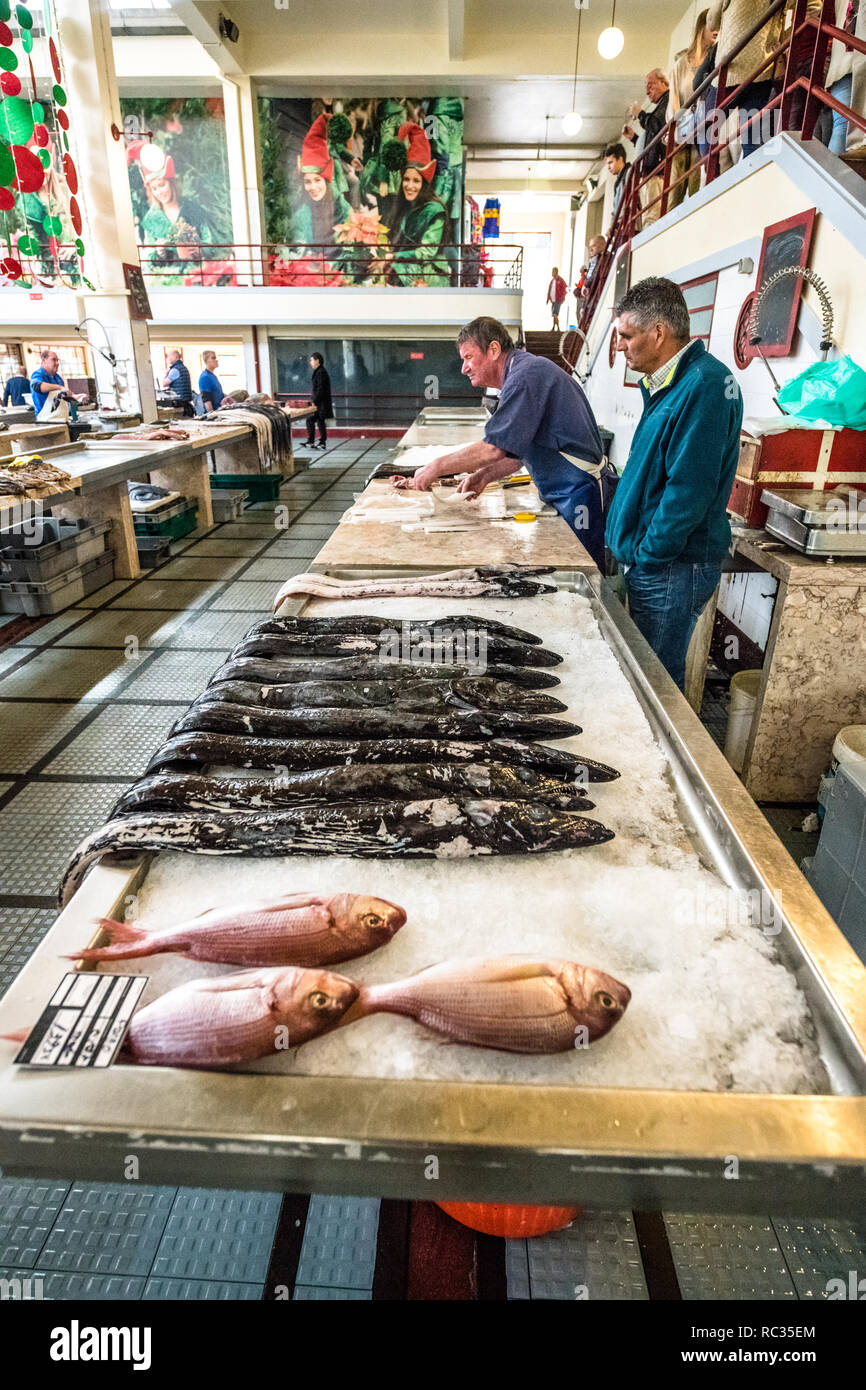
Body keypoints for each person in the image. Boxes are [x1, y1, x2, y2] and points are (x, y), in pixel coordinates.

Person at [605, 278, 743, 691]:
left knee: (656, 679)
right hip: (657, 563)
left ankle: (664, 753)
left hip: (672, 567)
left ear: (659, 332)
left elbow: (689, 490)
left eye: (627, 336)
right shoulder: (671, 383)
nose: (620, 346)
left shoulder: (704, 386)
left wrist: (650, 555)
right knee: (647, 667)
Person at [399, 316, 607, 569]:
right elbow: (517, 451)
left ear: (494, 350)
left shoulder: (525, 376)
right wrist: (485, 476)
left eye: (468, 357)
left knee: (581, 571)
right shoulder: (522, 372)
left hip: (579, 494)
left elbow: (494, 448)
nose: (463, 368)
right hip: (564, 492)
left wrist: (435, 467)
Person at [377, 124, 451, 286]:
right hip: (404, 270)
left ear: (424, 184)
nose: (410, 186)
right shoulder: (404, 207)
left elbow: (426, 253)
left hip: (429, 275)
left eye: (416, 180)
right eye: (406, 179)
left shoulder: (435, 210)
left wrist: (395, 257)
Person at [708, 1, 780, 166]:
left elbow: (712, 22)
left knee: (707, 131)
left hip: (734, 72)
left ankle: (714, 177)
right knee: (752, 140)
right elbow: (812, 8)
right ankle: (749, 179)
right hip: (759, 69)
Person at [139, 152, 217, 284]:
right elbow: (150, 263)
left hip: (196, 279)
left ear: (171, 183)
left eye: (162, 185)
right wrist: (160, 252)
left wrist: (200, 250)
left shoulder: (193, 209)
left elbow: (211, 245)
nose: (159, 192)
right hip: (168, 283)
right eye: (154, 188)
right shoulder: (151, 219)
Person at [669, 9, 714, 203]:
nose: (717, 30)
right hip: (684, 131)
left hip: (706, 127)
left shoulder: (716, 57)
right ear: (701, 27)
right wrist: (678, 128)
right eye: (713, 24)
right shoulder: (681, 64)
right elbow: (674, 100)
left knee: (699, 187)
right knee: (674, 194)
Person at [624, 70, 671, 227]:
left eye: (650, 85)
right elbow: (653, 142)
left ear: (663, 81)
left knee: (651, 219)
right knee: (648, 218)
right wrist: (634, 138)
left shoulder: (669, 100)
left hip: (656, 172)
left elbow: (658, 127)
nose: (646, 91)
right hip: (652, 171)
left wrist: (640, 114)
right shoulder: (661, 106)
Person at [29, 349, 88, 419]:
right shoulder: (38, 374)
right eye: (53, 360)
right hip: (46, 420)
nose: (57, 363)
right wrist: (59, 387)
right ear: (44, 360)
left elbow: (61, 396)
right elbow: (37, 386)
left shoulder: (57, 377)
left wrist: (74, 397)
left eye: (57, 360)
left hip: (61, 418)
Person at [307, 352, 332, 449]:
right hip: (320, 403)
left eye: (311, 360)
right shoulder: (319, 371)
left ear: (317, 361)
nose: (310, 362)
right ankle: (319, 442)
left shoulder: (320, 372)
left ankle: (314, 441)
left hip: (320, 404)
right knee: (319, 421)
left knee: (312, 420)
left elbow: (320, 389)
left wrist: (314, 402)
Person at [603, 142, 630, 234]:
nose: (608, 167)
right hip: (621, 226)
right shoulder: (617, 183)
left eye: (611, 162)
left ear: (620, 159)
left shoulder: (630, 173)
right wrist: (612, 227)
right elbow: (615, 210)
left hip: (628, 224)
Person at [162, 349, 194, 417]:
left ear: (176, 357)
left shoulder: (175, 370)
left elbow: (164, 384)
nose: (168, 358)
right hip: (186, 403)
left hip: (179, 404)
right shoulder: (183, 368)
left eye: (169, 356)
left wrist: (165, 374)